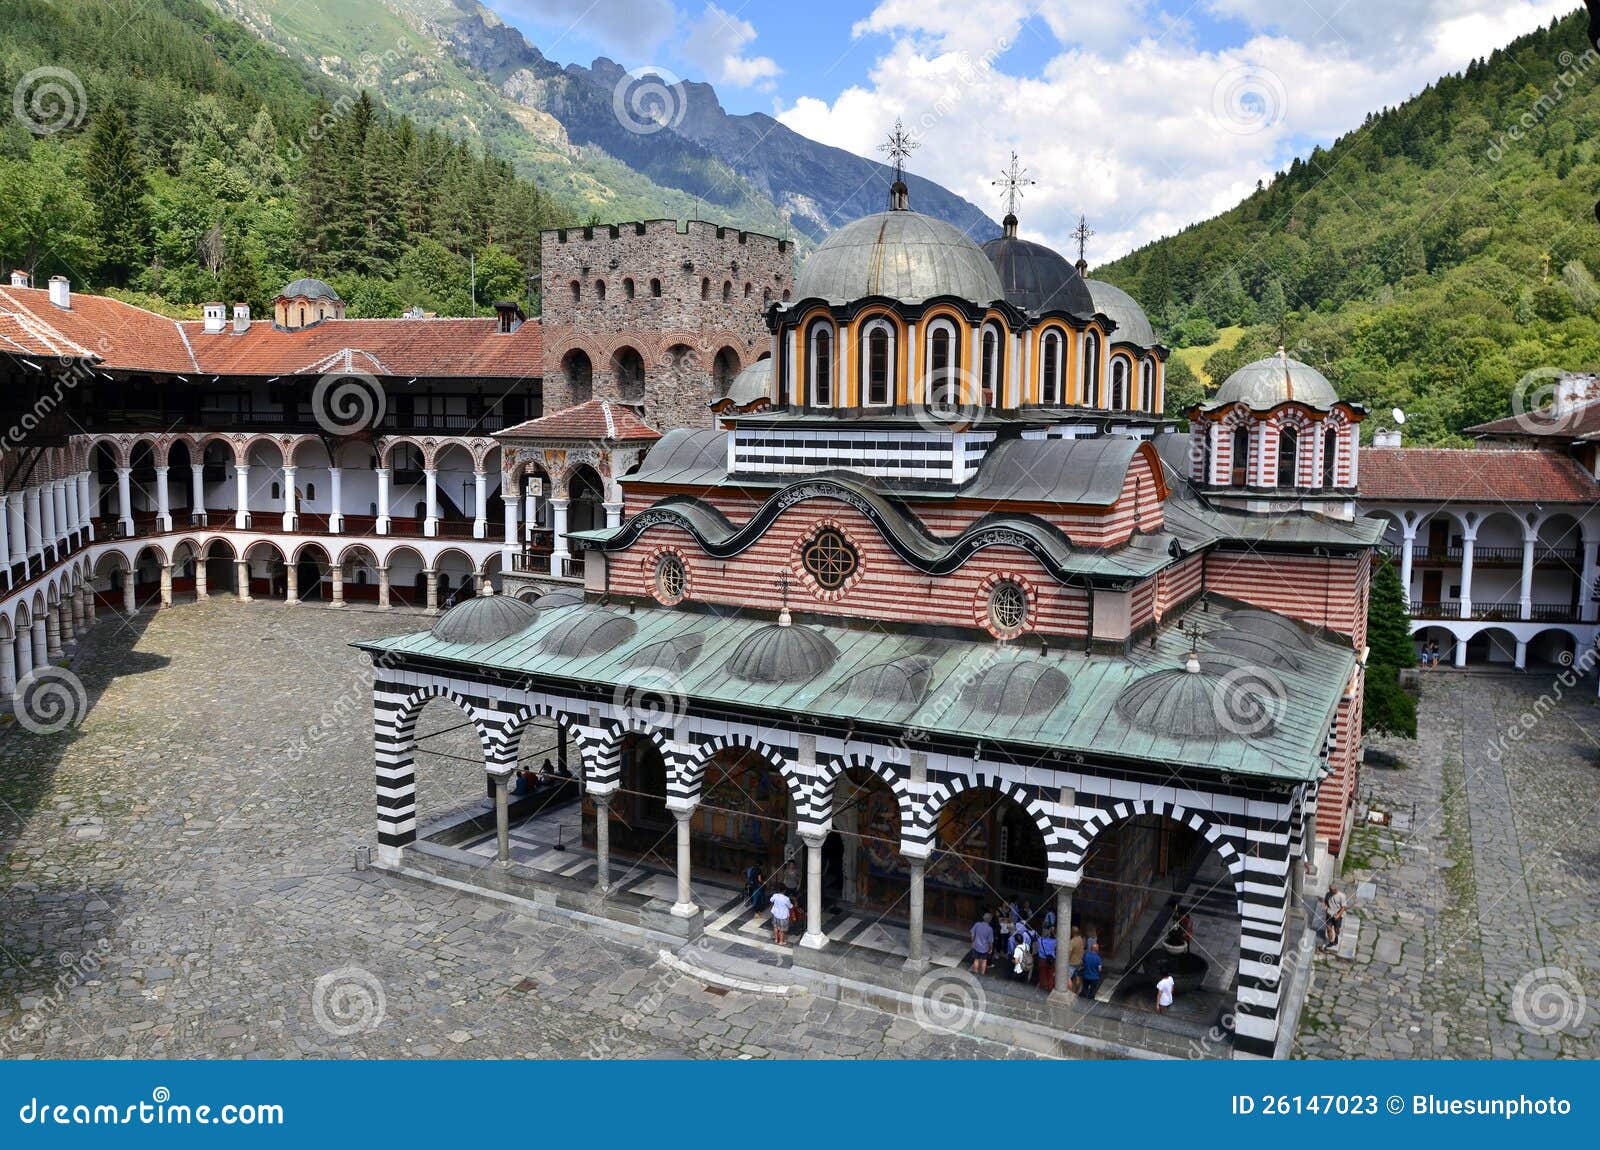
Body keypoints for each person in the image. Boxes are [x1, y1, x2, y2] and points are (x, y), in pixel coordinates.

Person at [1323, 885, 1348, 950]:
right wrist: (1325, 906)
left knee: (1337, 929)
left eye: (1331, 891)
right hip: (1329, 915)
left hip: (1337, 916)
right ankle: (1331, 942)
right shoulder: (1328, 894)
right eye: (1330, 890)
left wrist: (1338, 915)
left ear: (1335, 890)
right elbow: (1325, 901)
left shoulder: (1341, 896)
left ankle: (1336, 936)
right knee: (1328, 929)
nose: (1330, 891)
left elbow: (1344, 907)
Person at [1036, 925, 1057, 992]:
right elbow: (1057, 939)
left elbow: (1037, 936)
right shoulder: (1054, 941)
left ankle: (1043, 985)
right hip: (1051, 959)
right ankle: (1050, 987)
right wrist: (1053, 932)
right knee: (1050, 974)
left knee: (1042, 973)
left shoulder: (1040, 940)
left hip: (1042, 959)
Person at [1066, 926, 1086, 994]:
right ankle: (1076, 992)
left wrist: (1066, 962)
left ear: (1072, 932)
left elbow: (1069, 953)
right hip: (1079, 962)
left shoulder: (1072, 941)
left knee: (1067, 978)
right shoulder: (1081, 939)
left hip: (1072, 963)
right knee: (1077, 978)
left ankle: (1068, 992)